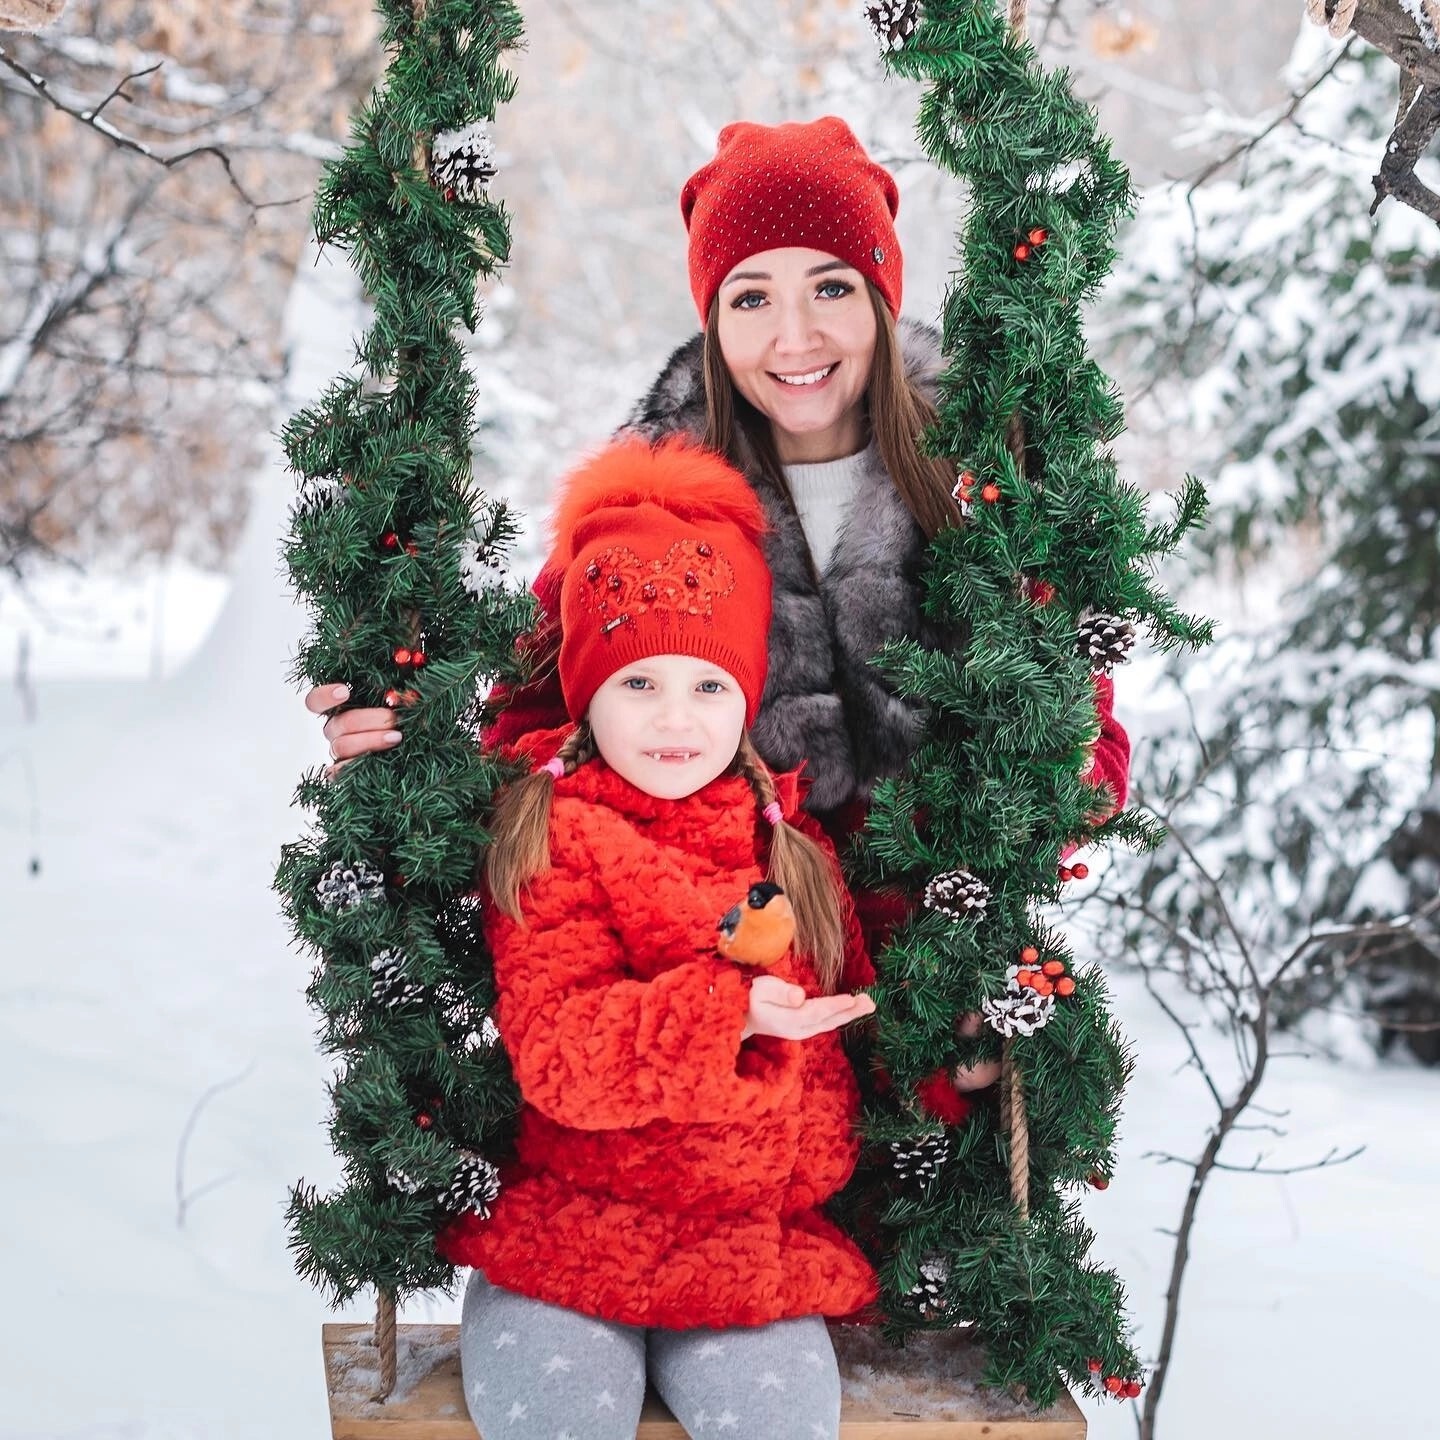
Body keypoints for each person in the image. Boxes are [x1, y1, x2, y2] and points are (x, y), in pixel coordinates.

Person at [310, 115, 1131, 941]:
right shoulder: (643, 507)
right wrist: (405, 753)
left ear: (882, 297)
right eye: (751, 298)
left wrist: (1042, 792)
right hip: (725, 976)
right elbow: (529, 735)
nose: (795, 336)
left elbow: (1086, 743)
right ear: (714, 319)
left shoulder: (982, 484)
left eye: (831, 287)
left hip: (934, 989)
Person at [437, 435, 897, 1440]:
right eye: (639, 685)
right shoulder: (557, 834)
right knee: (559, 1418)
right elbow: (560, 1053)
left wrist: (926, 1067)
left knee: (782, 1425)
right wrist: (727, 1012)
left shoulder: (794, 844)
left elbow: (851, 1021)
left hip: (744, 1255)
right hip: (571, 1241)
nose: (674, 720)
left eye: (708, 686)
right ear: (589, 694)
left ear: (747, 699)